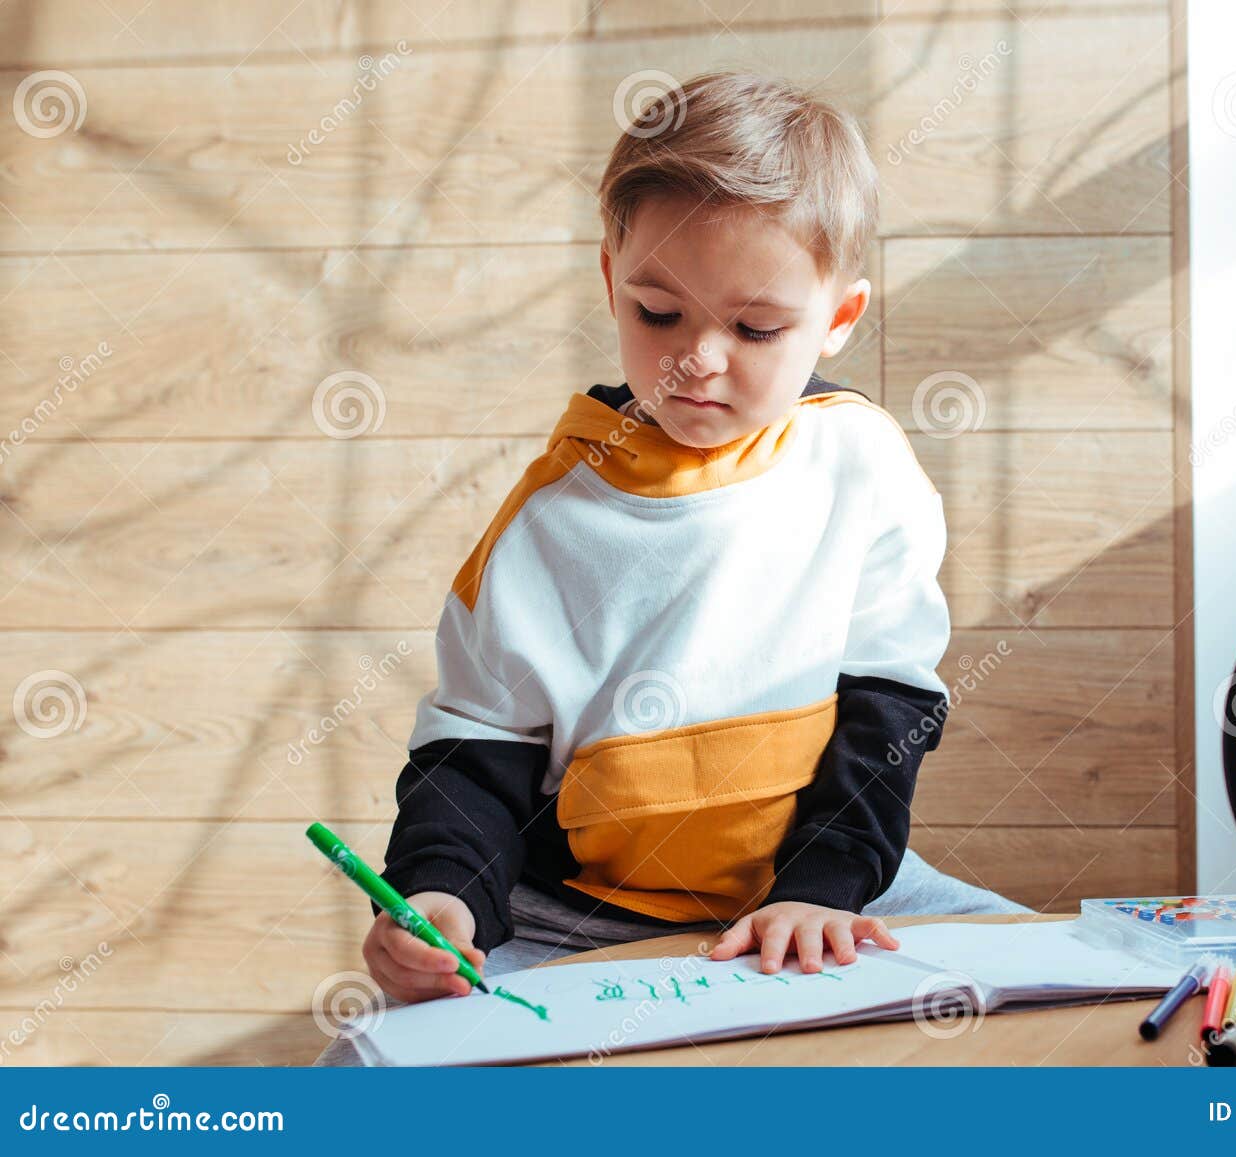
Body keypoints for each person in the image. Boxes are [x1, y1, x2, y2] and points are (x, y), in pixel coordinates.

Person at [334, 72, 1029, 1059]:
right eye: (659, 312)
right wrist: (446, 892)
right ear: (612, 280)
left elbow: (887, 705)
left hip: (817, 878)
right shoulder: (546, 521)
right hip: (567, 912)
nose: (699, 357)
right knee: (376, 1065)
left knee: (1056, 990)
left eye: (755, 329)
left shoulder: (861, 464)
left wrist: (818, 890)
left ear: (839, 317)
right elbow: (474, 759)